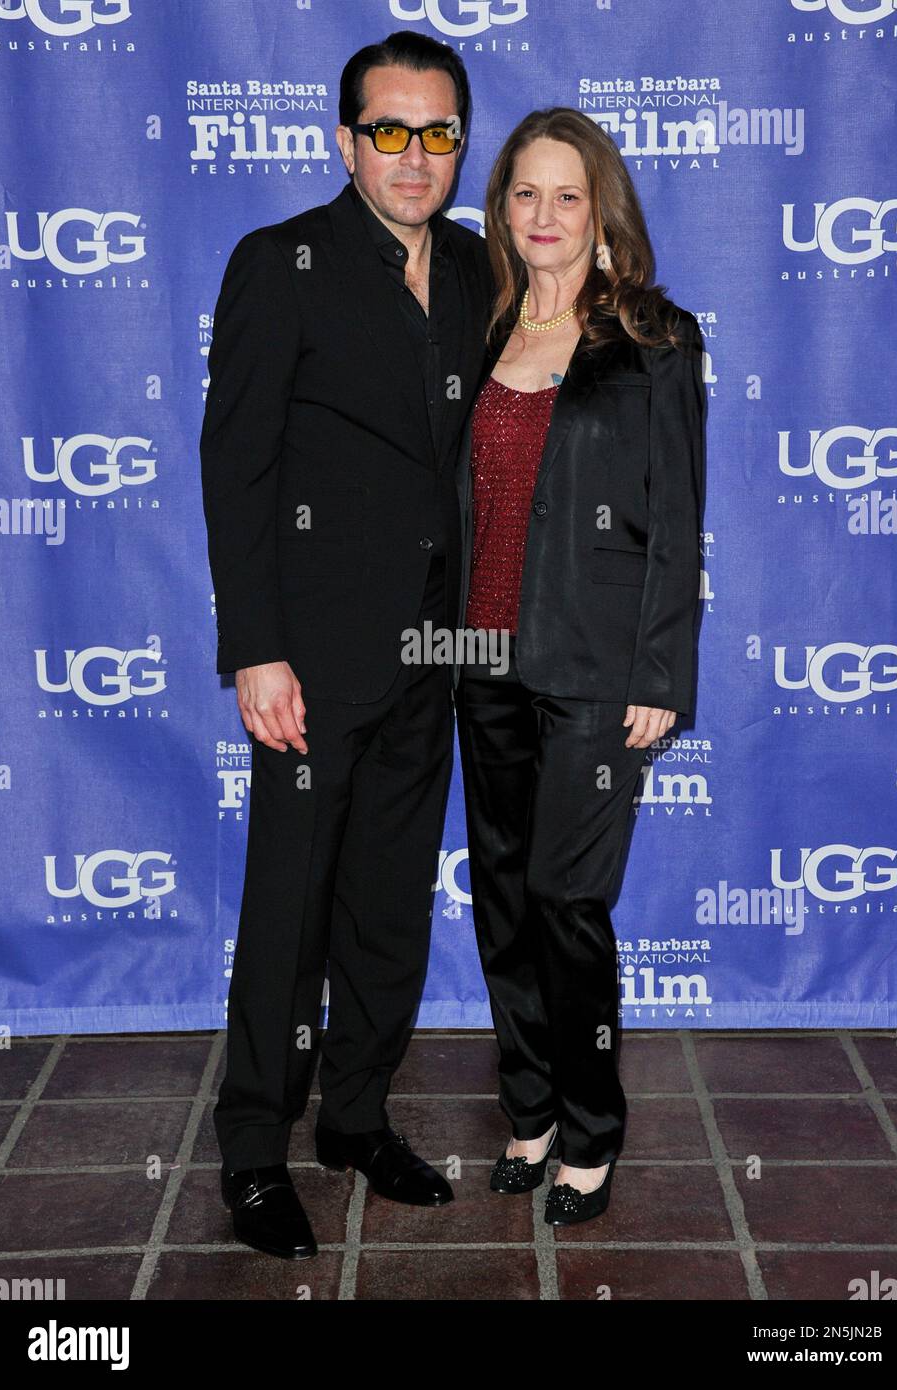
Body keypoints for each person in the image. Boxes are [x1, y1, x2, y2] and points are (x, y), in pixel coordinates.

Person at [199, 31, 493, 1260]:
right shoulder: (284, 263)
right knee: (290, 910)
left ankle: (357, 1119)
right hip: (311, 665)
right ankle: (256, 1150)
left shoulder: (482, 267)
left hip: (438, 652)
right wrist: (256, 649)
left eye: (437, 133)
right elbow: (237, 466)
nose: (414, 155)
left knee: (387, 906)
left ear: (459, 145)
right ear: (346, 140)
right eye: (389, 130)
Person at [453, 107, 706, 1227]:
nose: (543, 215)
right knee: (503, 898)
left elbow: (681, 519)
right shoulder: (476, 329)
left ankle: (593, 1128)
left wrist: (662, 672)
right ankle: (531, 1105)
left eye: (566, 194)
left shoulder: (654, 337)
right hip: (481, 661)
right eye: (523, 193)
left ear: (600, 211)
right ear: (500, 212)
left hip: (601, 672)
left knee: (566, 899)